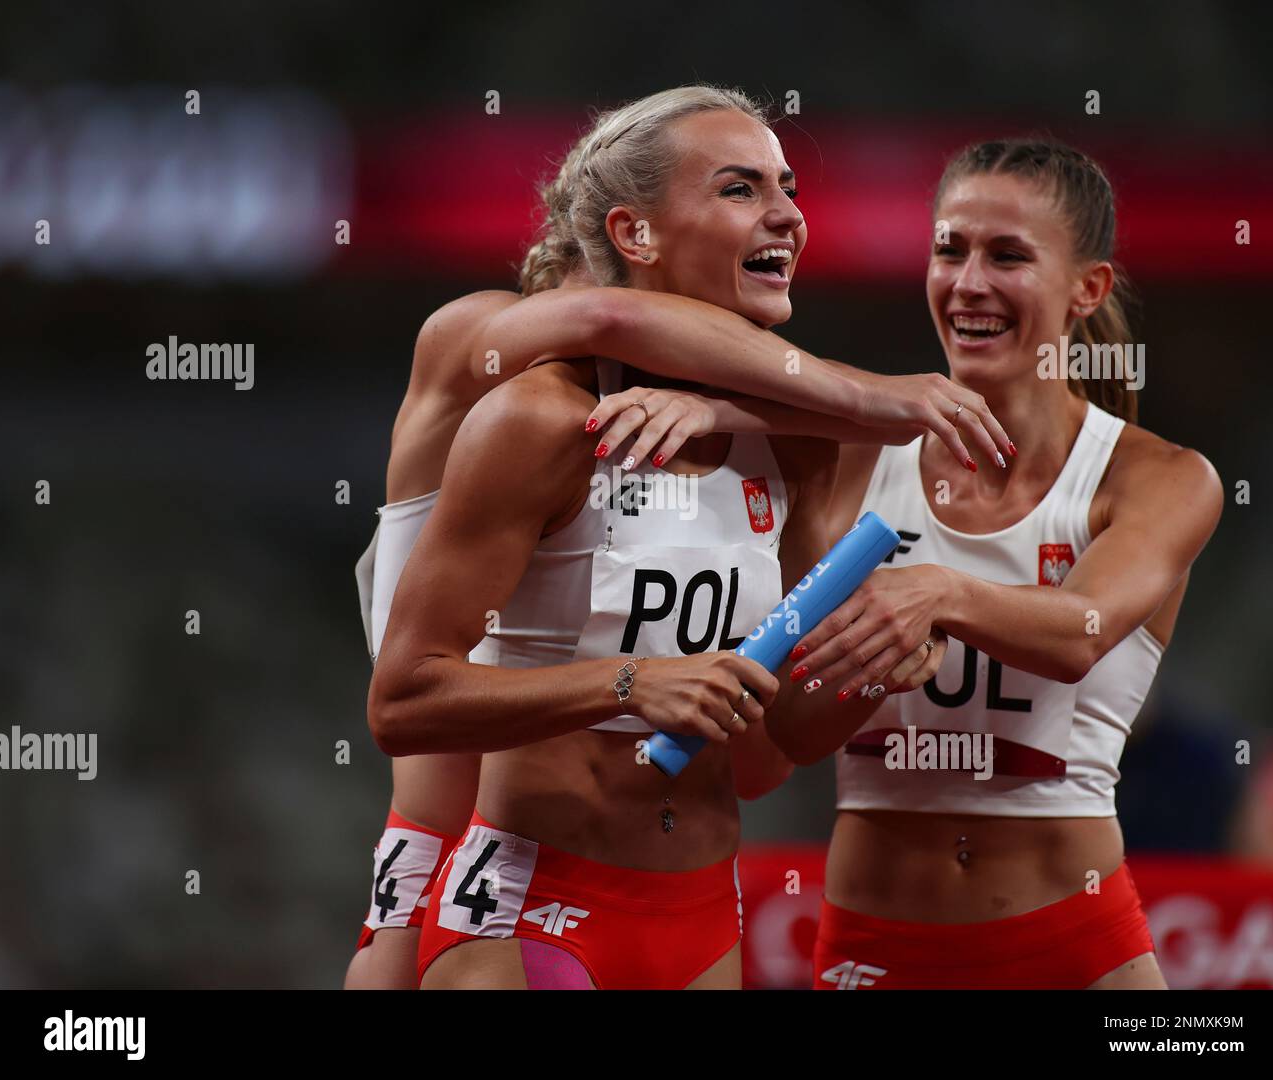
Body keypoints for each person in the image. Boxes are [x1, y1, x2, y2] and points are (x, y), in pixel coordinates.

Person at [344, 98, 1010, 988]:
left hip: (699, 911)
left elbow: (768, 756)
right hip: (491, 876)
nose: (789, 215)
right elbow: (400, 707)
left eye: (790, 187)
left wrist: (867, 669)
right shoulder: (505, 372)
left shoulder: (793, 439)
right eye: (741, 189)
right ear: (634, 232)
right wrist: (869, 398)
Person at [762, 138, 1223, 990]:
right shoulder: (853, 464)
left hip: (1075, 944)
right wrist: (870, 669)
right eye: (950, 249)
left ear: (1088, 289)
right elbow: (789, 732)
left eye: (1007, 256)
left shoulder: (1160, 476)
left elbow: (1078, 634)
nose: (969, 282)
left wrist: (938, 592)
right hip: (874, 943)